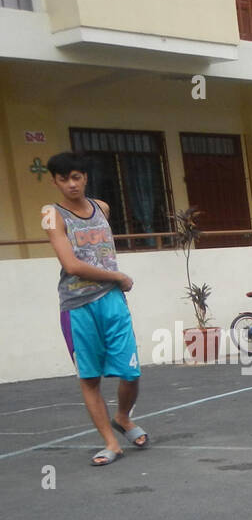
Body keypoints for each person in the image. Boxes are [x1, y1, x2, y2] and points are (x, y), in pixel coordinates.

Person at [44, 151, 146, 467]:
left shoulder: (102, 208)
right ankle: (111, 443)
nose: (71, 184)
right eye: (64, 179)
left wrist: (114, 283)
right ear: (55, 181)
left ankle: (123, 417)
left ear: (85, 177)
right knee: (89, 377)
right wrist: (118, 276)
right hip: (77, 306)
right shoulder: (51, 214)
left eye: (77, 177)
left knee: (130, 371)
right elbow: (72, 265)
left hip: (112, 301)